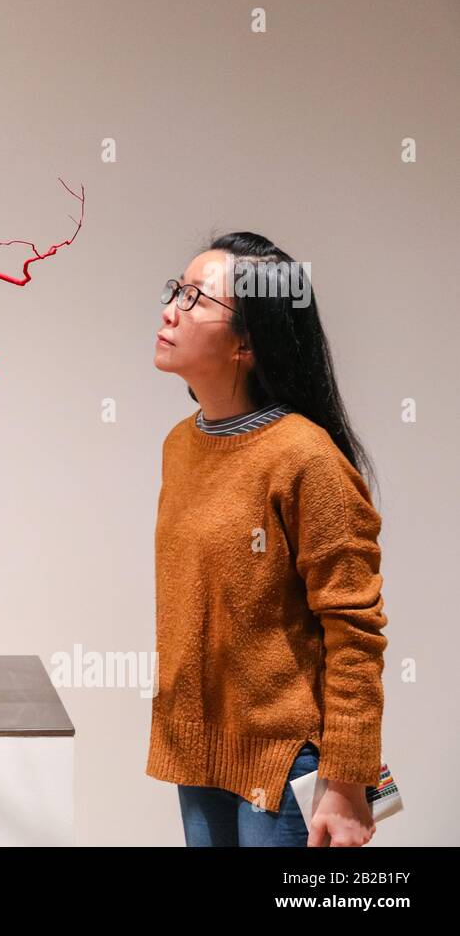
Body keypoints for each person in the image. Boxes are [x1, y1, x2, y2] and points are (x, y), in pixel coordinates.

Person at [149, 231, 386, 847]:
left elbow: (353, 626)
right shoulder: (180, 445)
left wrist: (348, 779)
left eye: (196, 298)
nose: (170, 308)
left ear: (247, 343)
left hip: (288, 767)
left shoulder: (305, 456)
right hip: (199, 754)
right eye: (175, 289)